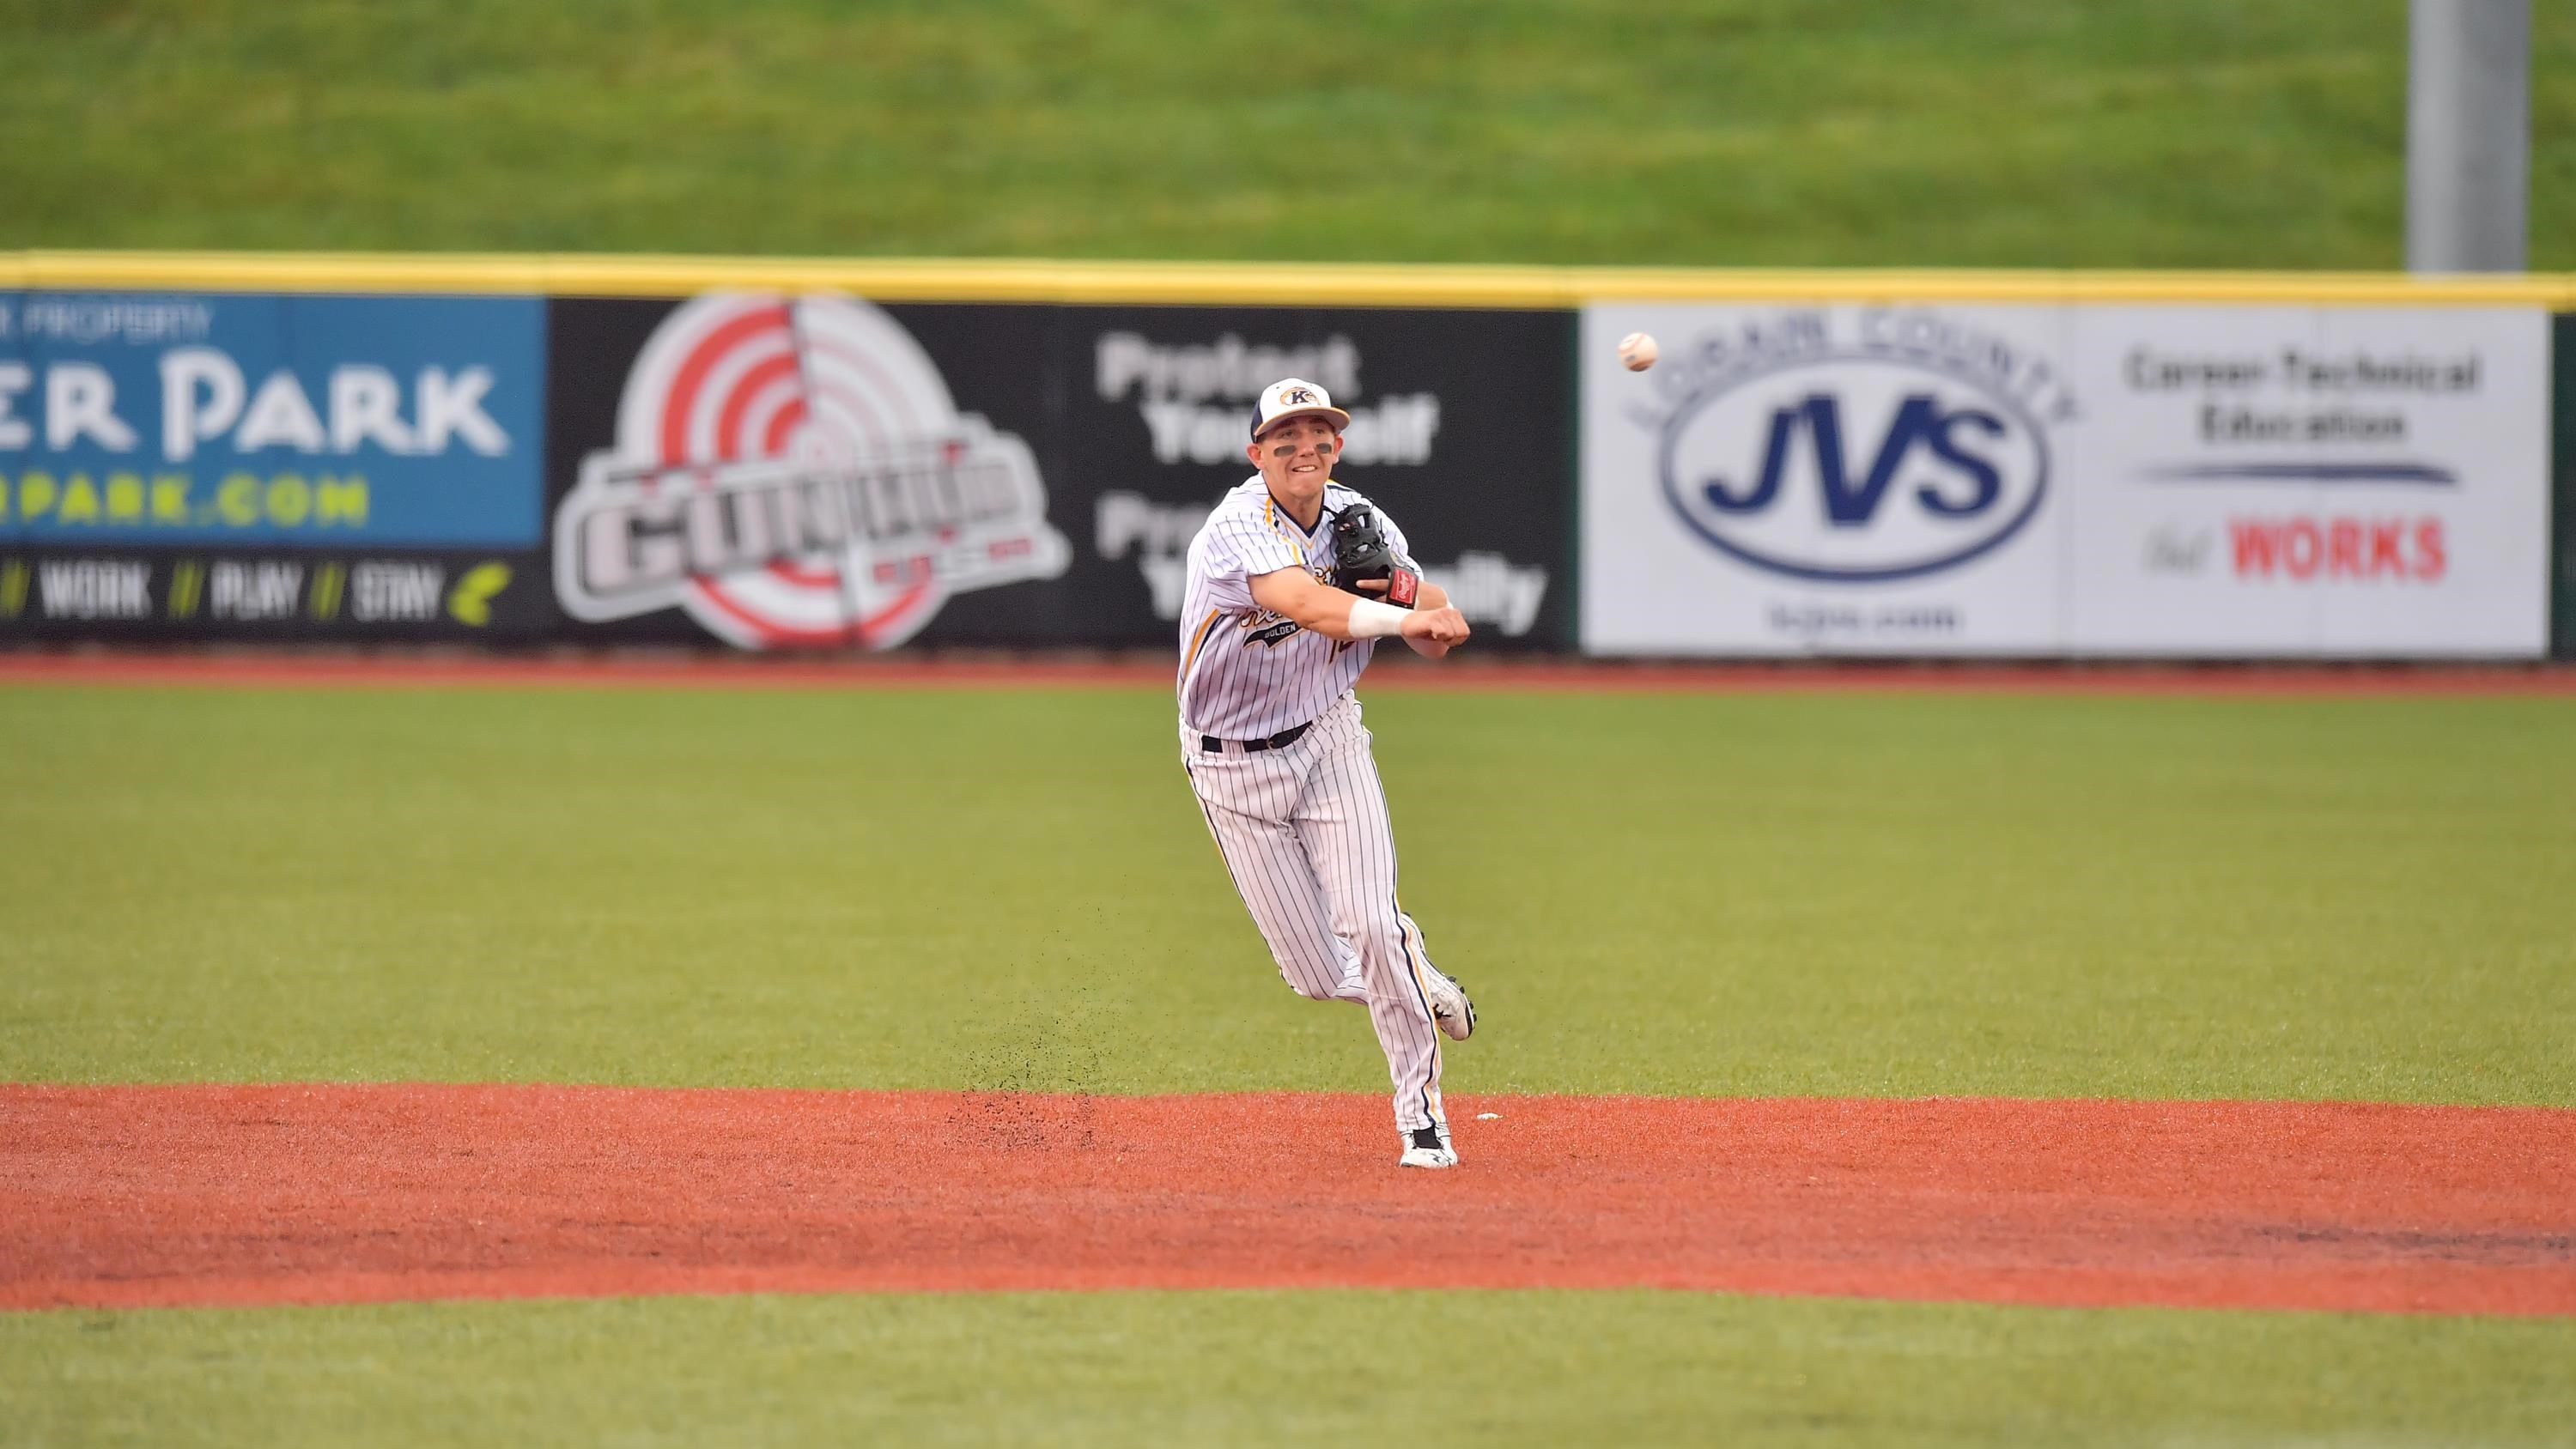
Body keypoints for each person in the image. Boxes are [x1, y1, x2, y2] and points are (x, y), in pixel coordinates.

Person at [1173, 377, 1479, 1169]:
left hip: (1328, 738)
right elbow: (1305, 604)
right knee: (1314, 974)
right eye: (1285, 436)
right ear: (1256, 452)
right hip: (1229, 765)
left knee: (1373, 922)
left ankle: (1422, 1120)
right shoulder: (1236, 527)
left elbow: (1433, 624)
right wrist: (1403, 616)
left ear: (1337, 445)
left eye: (1319, 434)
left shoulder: (1359, 519)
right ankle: (1414, 975)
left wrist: (1421, 604)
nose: (1303, 446)